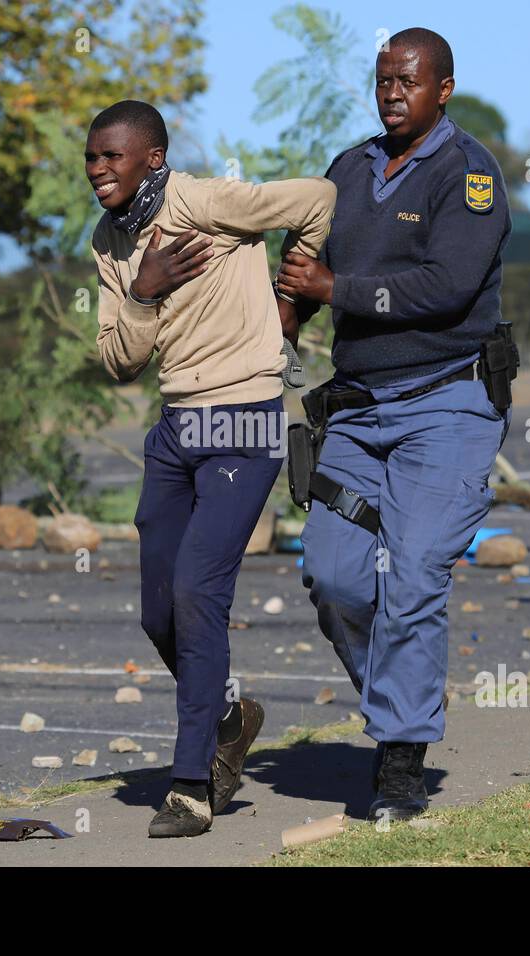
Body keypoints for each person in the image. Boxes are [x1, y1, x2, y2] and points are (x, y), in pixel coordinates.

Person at [276, 28, 516, 822]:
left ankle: (402, 758)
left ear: (443, 88)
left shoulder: (469, 175)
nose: (391, 92)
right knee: (335, 574)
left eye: (408, 80)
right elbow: (302, 265)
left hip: (447, 405)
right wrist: (279, 317)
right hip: (357, 408)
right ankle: (400, 697)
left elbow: (446, 287)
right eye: (382, 79)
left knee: (412, 581)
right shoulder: (349, 169)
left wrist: (334, 286)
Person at [87, 100, 336, 837]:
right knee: (157, 610)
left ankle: (192, 785)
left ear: (153, 159)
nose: (98, 168)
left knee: (200, 590)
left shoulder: (207, 201)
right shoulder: (109, 241)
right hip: (174, 428)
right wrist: (143, 289)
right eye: (92, 157)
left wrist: (291, 301)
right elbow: (118, 362)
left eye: (113, 156)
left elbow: (317, 200)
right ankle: (229, 715)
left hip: (245, 421)